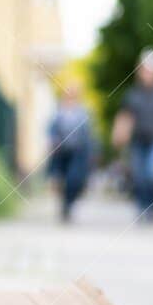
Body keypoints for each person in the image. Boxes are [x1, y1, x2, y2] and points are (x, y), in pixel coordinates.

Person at [112, 49, 153, 218]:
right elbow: (124, 116)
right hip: (138, 141)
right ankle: (143, 208)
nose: (146, 73)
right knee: (139, 176)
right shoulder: (132, 94)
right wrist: (119, 135)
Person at [46, 85, 94, 222]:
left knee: (75, 179)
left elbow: (89, 135)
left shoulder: (83, 112)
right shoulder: (58, 112)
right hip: (61, 152)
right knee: (59, 180)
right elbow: (50, 130)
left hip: (78, 152)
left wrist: (91, 153)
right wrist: (53, 141)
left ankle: (69, 203)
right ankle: (64, 205)